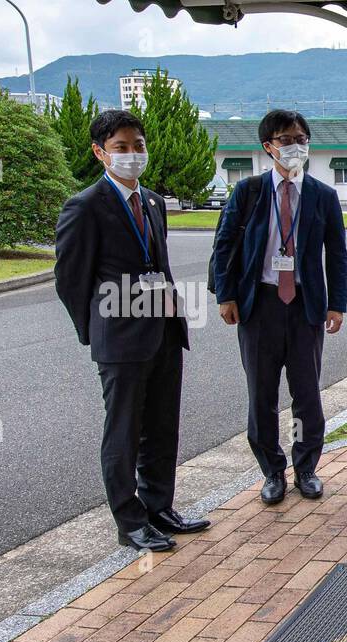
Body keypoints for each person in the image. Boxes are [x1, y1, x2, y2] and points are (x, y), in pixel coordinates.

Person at [55, 108, 209, 552]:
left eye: (137, 146)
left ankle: (160, 506)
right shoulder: (85, 207)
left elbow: (157, 265)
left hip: (163, 330)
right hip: (120, 338)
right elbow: (71, 279)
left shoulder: (154, 202)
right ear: (100, 153)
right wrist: (96, 332)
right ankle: (130, 522)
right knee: (123, 431)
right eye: (120, 148)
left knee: (162, 427)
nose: (131, 154)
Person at [212, 110, 347, 504]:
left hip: (305, 307)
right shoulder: (249, 192)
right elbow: (224, 246)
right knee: (262, 395)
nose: (295, 146)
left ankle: (306, 467)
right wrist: (226, 295)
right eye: (286, 139)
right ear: (268, 146)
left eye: (302, 138)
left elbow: (336, 254)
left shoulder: (322, 195)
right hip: (259, 307)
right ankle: (272, 471)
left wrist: (336, 304)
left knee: (307, 394)